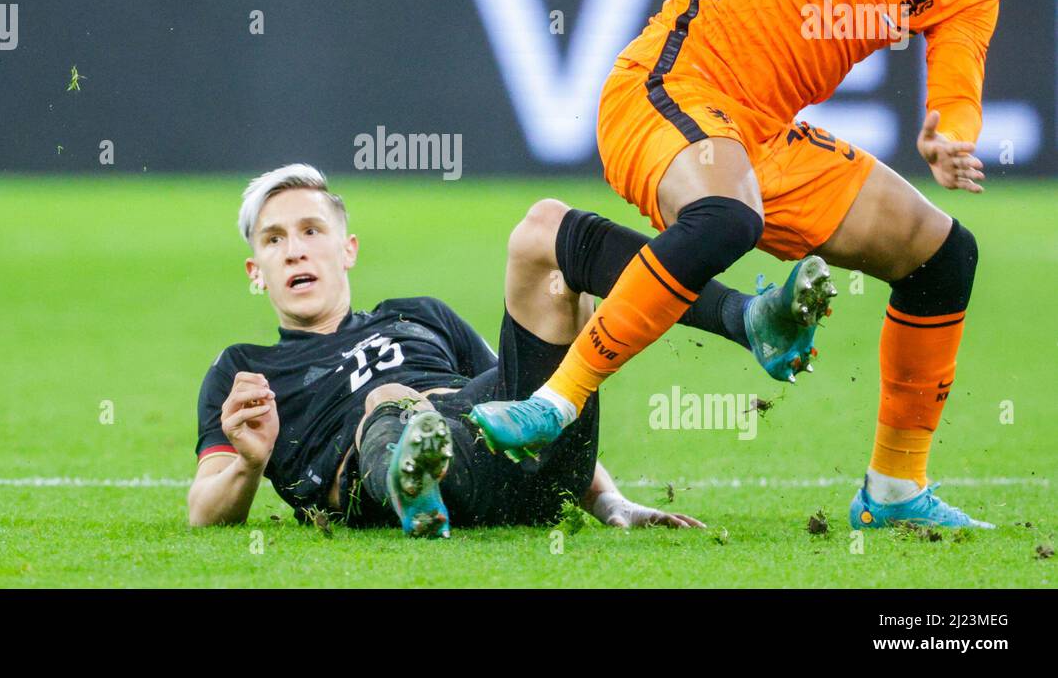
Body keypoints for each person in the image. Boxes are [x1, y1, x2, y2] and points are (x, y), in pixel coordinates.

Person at [408, 0, 1019, 530]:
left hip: (763, 137)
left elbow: (957, 85)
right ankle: (555, 399)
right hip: (665, 89)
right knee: (728, 216)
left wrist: (950, 134)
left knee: (942, 255)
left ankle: (894, 490)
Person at [188, 164, 829, 537]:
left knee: (545, 234)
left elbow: (528, 397)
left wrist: (610, 502)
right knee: (393, 398)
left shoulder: (419, 317)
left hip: (517, 457)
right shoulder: (243, 372)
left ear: (347, 248)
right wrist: (249, 464)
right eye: (274, 240)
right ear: (255, 269)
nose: (295, 249)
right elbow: (202, 513)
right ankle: (416, 480)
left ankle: (747, 318)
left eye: (310, 230)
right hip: (376, 483)